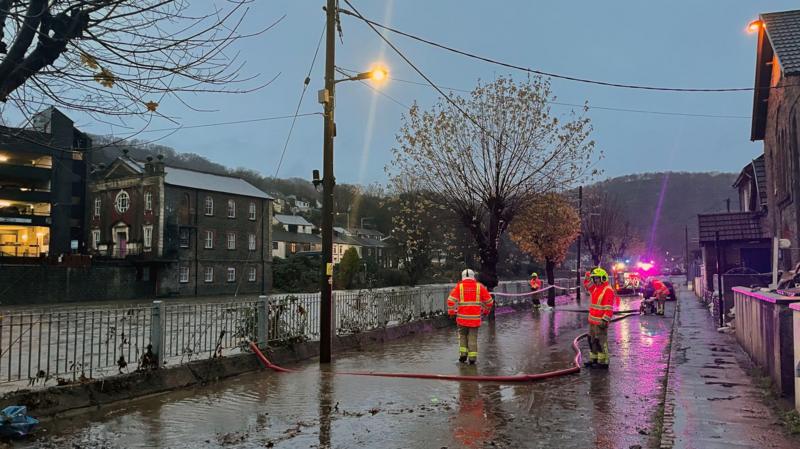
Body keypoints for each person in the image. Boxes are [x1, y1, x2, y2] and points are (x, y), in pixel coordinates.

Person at [447, 269, 494, 364]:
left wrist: (451, 312)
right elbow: (489, 302)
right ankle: (472, 360)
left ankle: (463, 356)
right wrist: (485, 311)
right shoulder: (479, 287)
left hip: (461, 320)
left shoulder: (459, 287)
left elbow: (450, 301)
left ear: (462, 277)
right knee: (472, 338)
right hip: (474, 320)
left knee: (462, 336)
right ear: (473, 277)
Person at [583, 267, 616, 369]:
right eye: (594, 278)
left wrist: (605, 320)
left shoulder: (607, 290)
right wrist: (588, 276)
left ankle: (603, 362)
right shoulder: (596, 288)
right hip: (592, 321)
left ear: (603, 278)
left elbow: (609, 308)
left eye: (597, 278)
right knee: (591, 340)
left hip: (601, 322)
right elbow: (587, 285)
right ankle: (594, 359)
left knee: (600, 341)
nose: (596, 280)